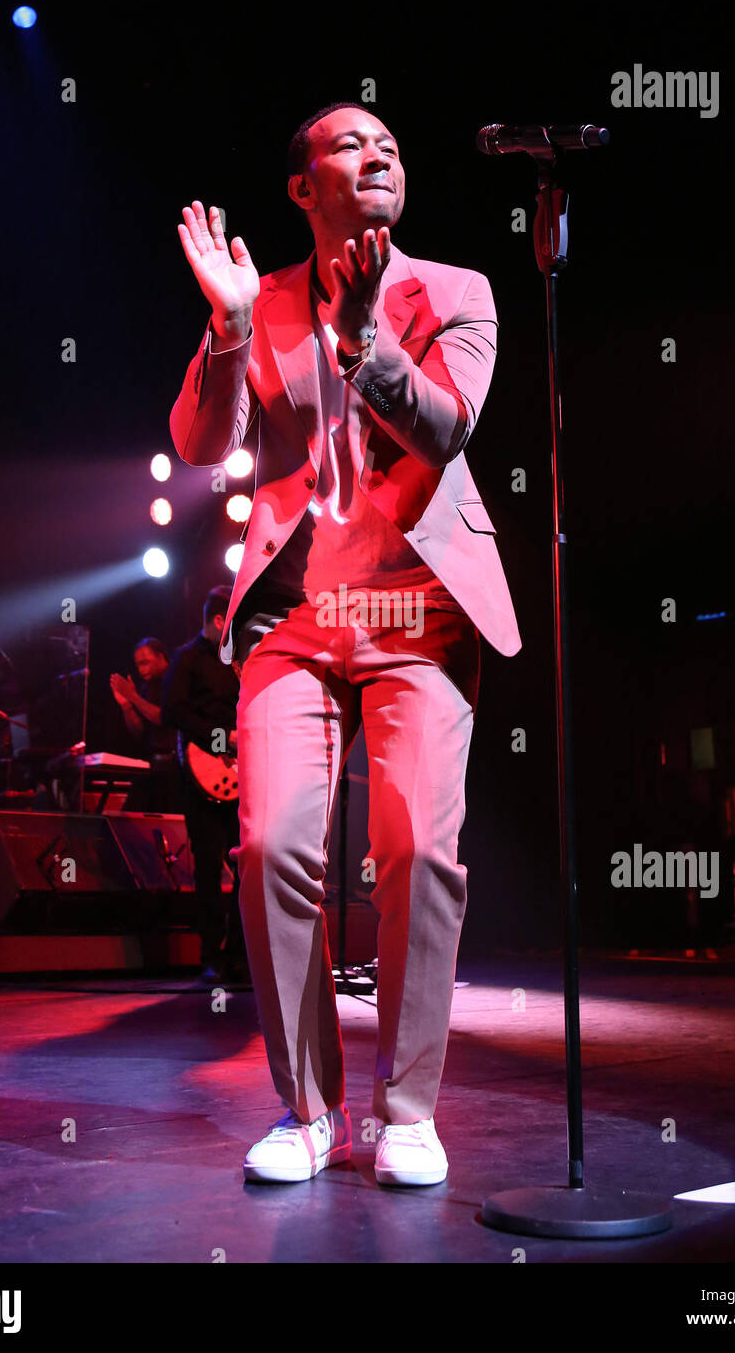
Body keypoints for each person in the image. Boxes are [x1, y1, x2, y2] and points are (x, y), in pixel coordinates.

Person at [170, 101, 520, 1186]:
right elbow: (198, 446)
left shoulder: (457, 291)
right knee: (274, 847)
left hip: (418, 613)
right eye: (349, 145)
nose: (378, 155)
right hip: (294, 620)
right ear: (301, 187)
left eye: (392, 147)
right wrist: (228, 331)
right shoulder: (261, 300)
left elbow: (446, 427)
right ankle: (308, 1110)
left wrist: (366, 337)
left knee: (416, 853)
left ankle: (405, 1109)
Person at [160, 587, 247, 985]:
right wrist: (221, 739)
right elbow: (173, 712)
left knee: (247, 864)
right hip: (200, 773)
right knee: (208, 865)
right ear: (218, 621)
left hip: (241, 775)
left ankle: (242, 956)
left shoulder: (240, 660)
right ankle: (211, 954)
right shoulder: (188, 658)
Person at [109, 638, 179, 812]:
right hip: (153, 766)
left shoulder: (177, 680)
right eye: (138, 665)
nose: (141, 669)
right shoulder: (146, 688)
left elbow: (163, 717)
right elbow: (138, 731)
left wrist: (133, 697)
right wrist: (126, 705)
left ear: (161, 658)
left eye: (145, 663)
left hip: (177, 769)